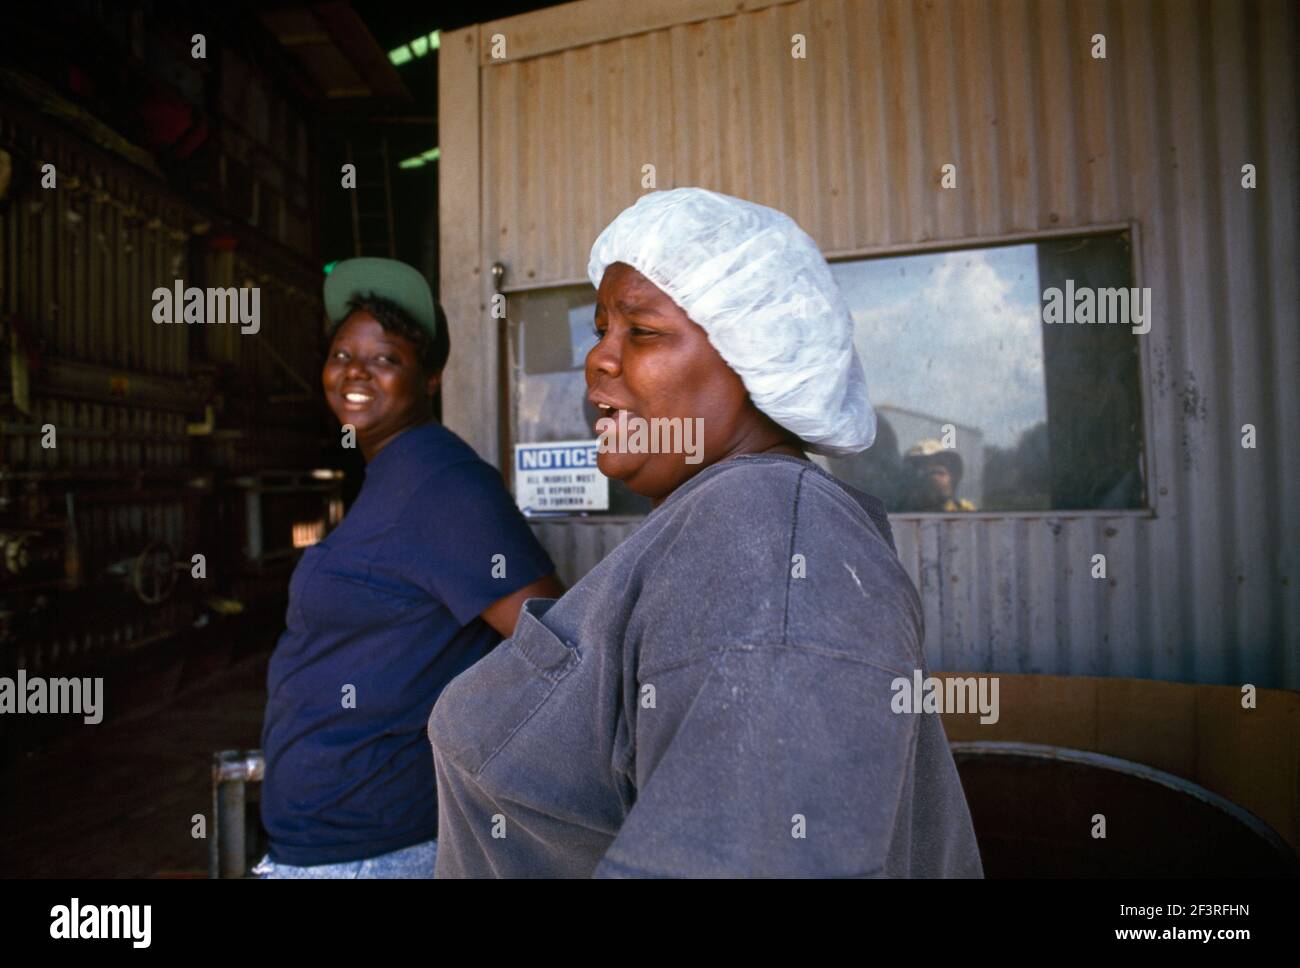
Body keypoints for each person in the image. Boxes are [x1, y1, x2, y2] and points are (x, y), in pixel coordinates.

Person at [428, 189, 983, 877]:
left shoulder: (769, 539)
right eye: (600, 329)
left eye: (642, 331)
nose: (598, 360)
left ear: (757, 357)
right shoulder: (714, 526)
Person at [255, 258, 564, 878]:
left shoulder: (445, 486)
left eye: (385, 358)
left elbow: (556, 648)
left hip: (375, 851)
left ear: (431, 378)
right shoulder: (392, 476)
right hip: (334, 845)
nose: (355, 372)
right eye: (342, 353)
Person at [900, 439, 977, 511]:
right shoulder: (900, 512)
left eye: (941, 465)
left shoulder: (964, 510)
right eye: (925, 468)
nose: (937, 475)